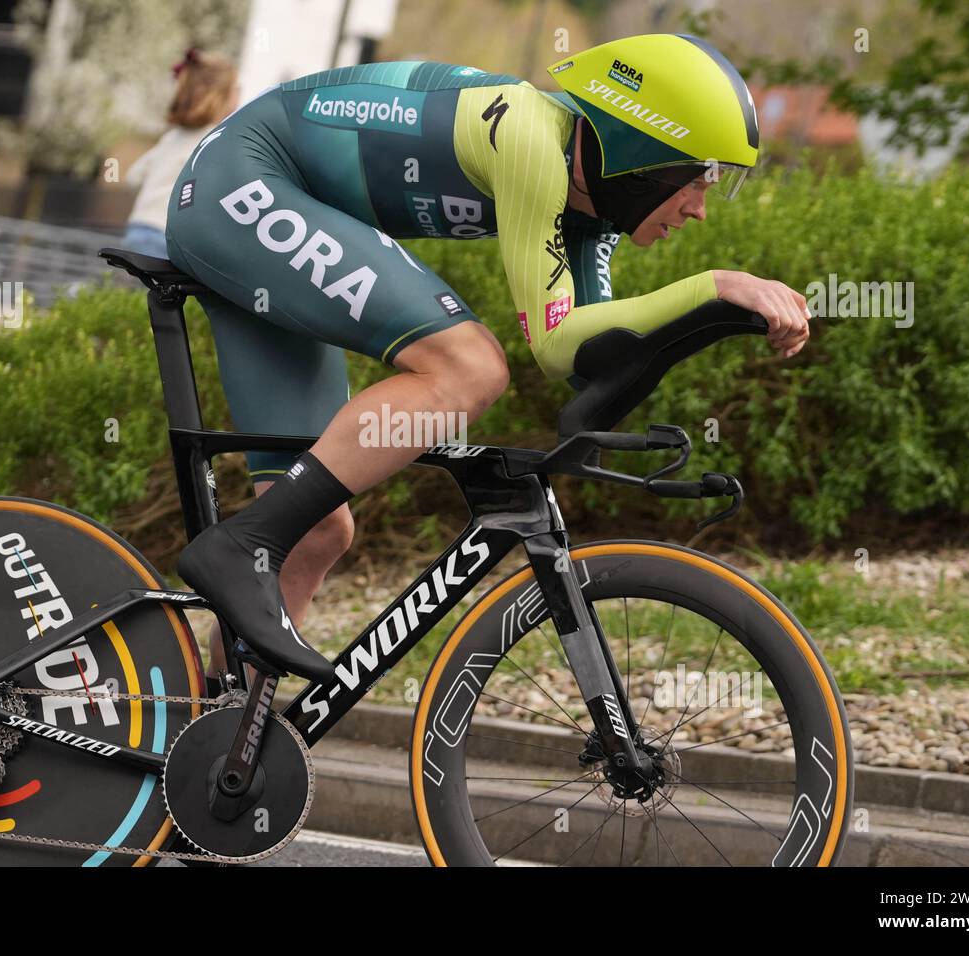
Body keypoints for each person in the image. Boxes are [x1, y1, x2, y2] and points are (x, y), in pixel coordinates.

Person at [165, 35, 811, 684]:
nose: (699, 209)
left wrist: (716, 318)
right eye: (697, 180)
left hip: (270, 210)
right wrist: (714, 287)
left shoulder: (590, 211)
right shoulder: (531, 136)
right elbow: (554, 341)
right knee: (469, 366)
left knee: (315, 533)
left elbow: (582, 357)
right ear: (646, 156)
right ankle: (243, 544)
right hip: (243, 179)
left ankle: (214, 743)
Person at [122, 48, 239, 259]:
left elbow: (133, 177)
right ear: (218, 96)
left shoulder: (171, 138)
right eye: (235, 90)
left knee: (140, 290)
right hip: (166, 234)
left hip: (137, 228)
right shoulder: (214, 140)